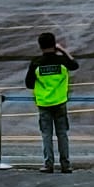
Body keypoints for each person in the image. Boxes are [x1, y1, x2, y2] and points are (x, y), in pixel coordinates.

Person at [25, 32, 78, 173]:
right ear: (54, 44)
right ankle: (65, 164)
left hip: (43, 103)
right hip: (60, 102)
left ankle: (48, 164)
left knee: (46, 135)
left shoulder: (36, 63)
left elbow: (29, 84)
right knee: (62, 134)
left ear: (40, 46)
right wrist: (63, 51)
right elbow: (75, 65)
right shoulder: (62, 61)